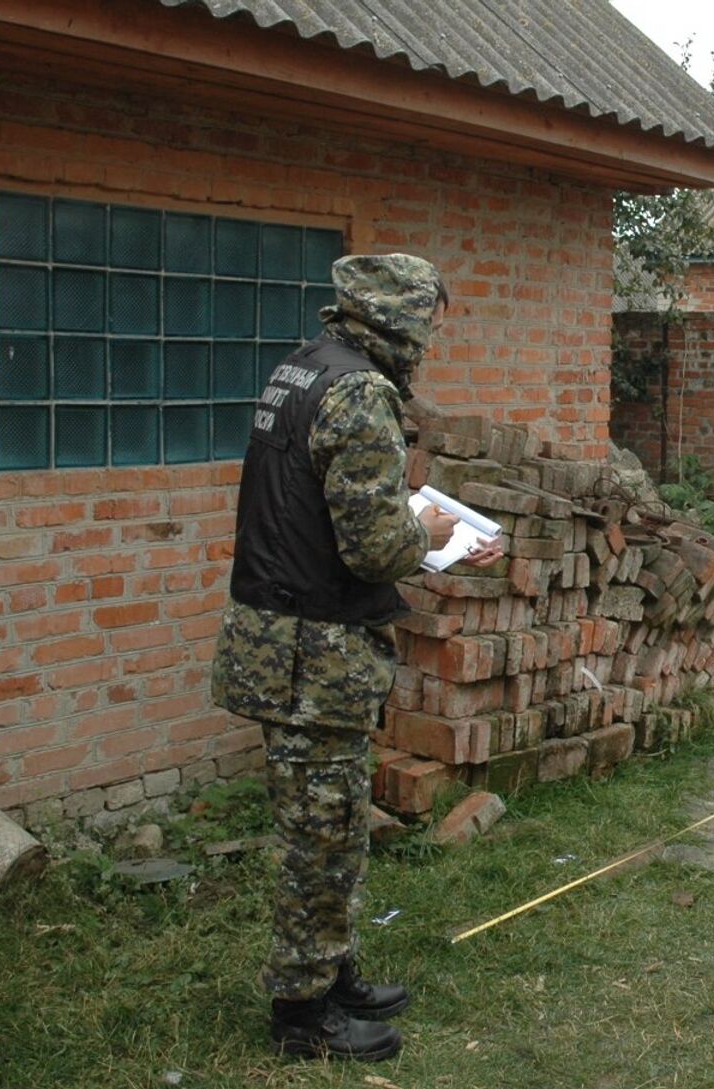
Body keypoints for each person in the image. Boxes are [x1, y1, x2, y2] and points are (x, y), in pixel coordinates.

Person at [212, 253, 503, 1060]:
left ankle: (332, 972)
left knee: (333, 823)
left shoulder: (303, 371)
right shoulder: (359, 392)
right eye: (428, 325)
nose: (430, 343)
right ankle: (303, 1013)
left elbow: (324, 504)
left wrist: (421, 531)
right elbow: (374, 547)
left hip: (286, 638)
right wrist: (430, 532)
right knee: (323, 834)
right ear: (396, 320)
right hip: (311, 652)